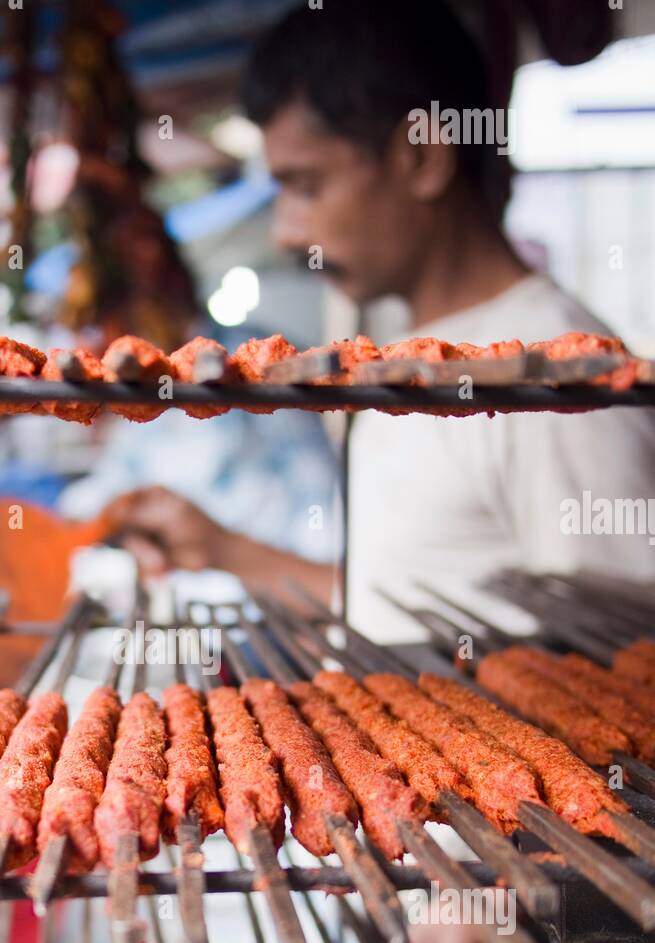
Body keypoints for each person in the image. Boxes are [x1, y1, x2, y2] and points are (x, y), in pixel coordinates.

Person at [103, 0, 655, 640]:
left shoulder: (560, 387)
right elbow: (397, 606)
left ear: (422, 157)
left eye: (305, 185)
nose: (286, 231)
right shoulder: (406, 355)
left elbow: (630, 668)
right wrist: (224, 550)